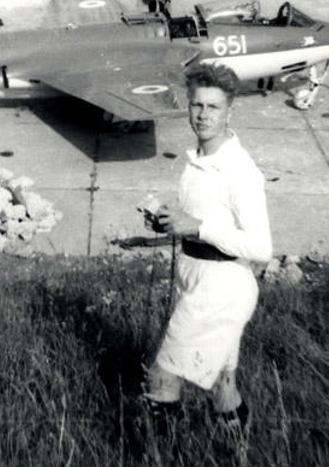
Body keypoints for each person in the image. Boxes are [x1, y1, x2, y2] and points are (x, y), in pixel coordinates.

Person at [143, 62, 272, 447]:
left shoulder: (239, 170)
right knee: (221, 384)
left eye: (213, 107)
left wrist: (196, 226)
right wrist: (171, 222)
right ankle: (241, 451)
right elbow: (199, 219)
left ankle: (160, 455)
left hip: (221, 287)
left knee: (162, 379)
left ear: (229, 111)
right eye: (197, 105)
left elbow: (261, 247)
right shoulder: (199, 158)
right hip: (198, 275)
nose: (203, 115)